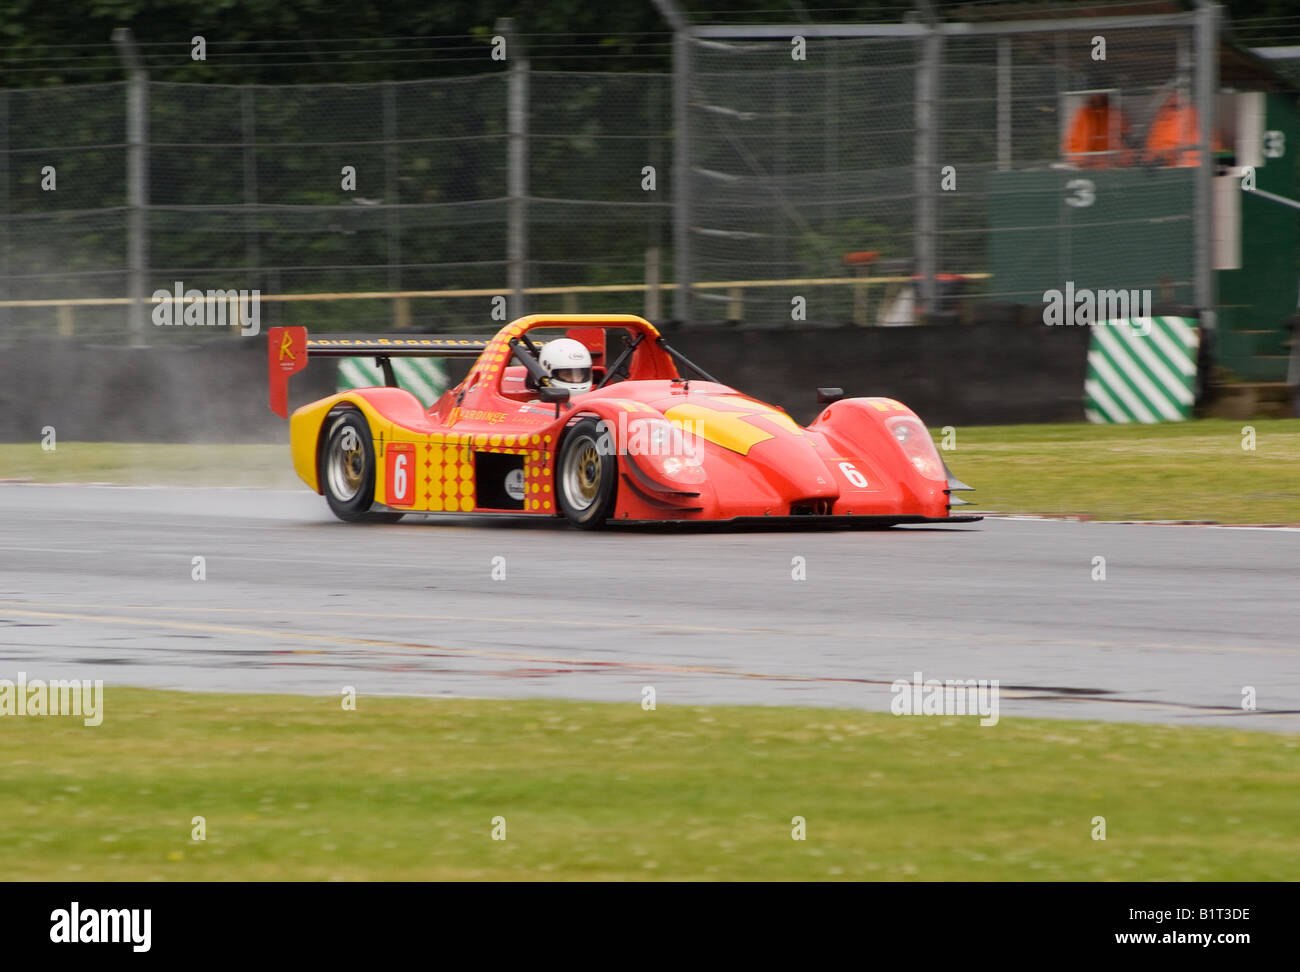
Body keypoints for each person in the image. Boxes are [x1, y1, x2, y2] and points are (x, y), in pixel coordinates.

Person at [1063, 93, 1132, 168]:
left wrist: (1118, 158)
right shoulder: (1082, 114)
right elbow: (1072, 143)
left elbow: (1126, 141)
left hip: (1111, 165)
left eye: (1099, 94)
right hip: (1087, 165)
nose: (1096, 96)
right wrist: (1081, 159)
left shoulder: (1115, 113)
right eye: (1093, 94)